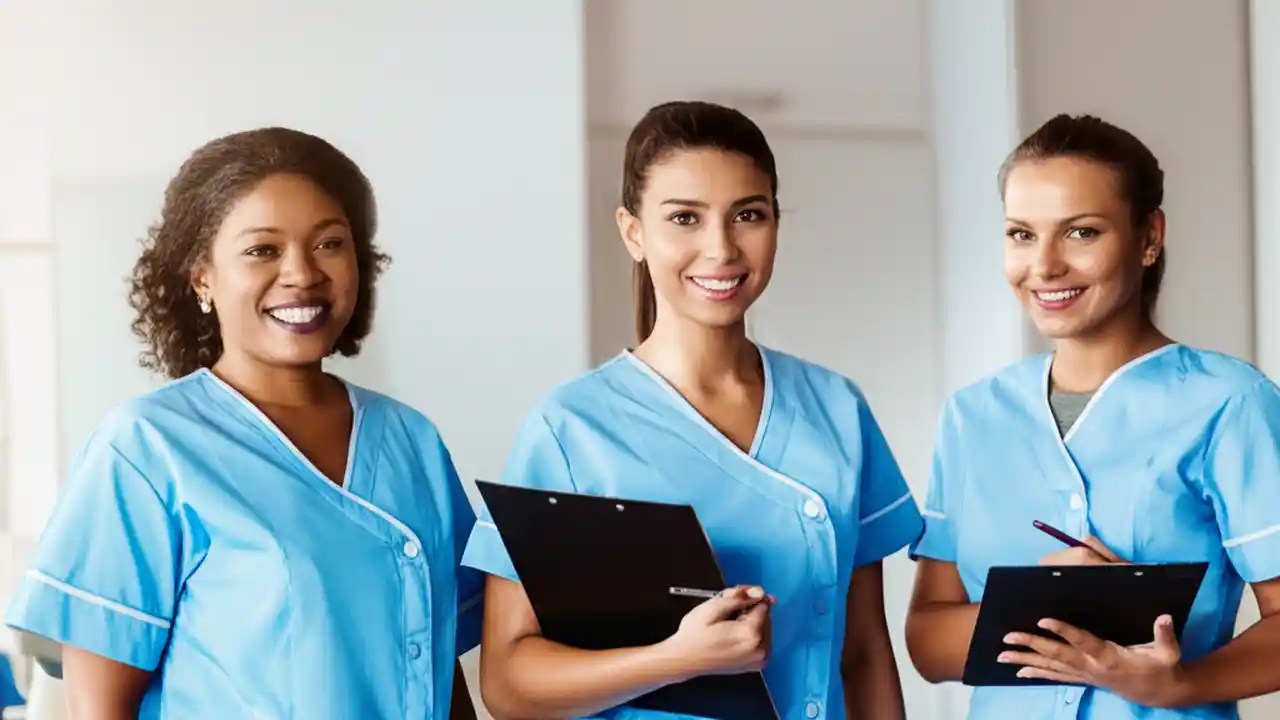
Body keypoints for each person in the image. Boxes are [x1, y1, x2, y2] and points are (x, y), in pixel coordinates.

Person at [461, 101, 922, 720]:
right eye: (684, 218)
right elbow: (509, 685)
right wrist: (678, 657)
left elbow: (864, 653)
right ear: (633, 232)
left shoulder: (837, 410)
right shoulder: (571, 431)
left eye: (748, 215)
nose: (721, 247)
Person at [3, 128, 482, 719]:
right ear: (202, 275)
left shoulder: (413, 442)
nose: (302, 273)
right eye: (263, 250)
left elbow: (438, 670)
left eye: (330, 244)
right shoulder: (147, 449)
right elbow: (96, 710)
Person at [906, 114, 1280, 719]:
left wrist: (1177, 684)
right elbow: (927, 641)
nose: (1045, 266)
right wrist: (1054, 605)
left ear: (1149, 236)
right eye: (1021, 235)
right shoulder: (974, 417)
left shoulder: (1230, 403)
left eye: (1081, 233)